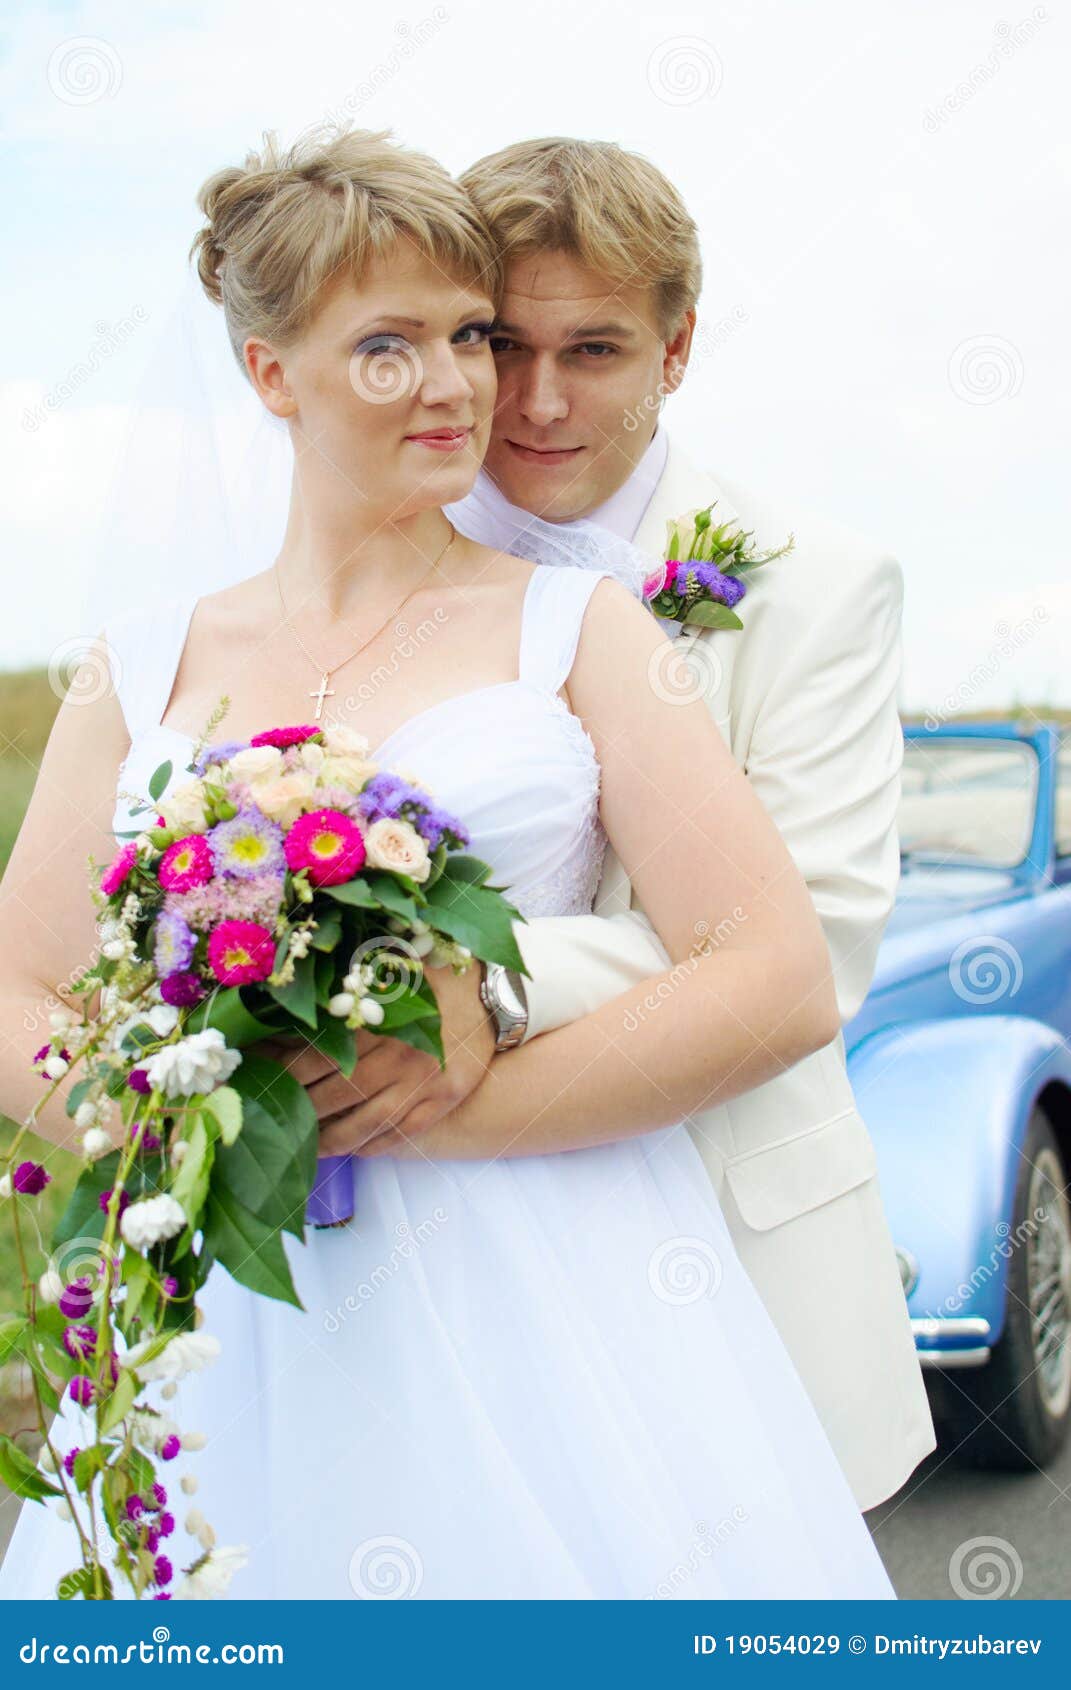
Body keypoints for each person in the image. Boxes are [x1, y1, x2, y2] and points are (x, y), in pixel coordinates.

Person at [0, 125, 895, 1600]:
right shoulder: (135, 665)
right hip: (248, 1307)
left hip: (563, 1265)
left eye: (464, 333)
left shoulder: (580, 624)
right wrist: (184, 1131)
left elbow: (783, 965)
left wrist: (412, 1080)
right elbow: (22, 988)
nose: (467, 384)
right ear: (270, 373)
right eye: (390, 344)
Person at [290, 138, 938, 1515]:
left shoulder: (820, 587)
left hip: (724, 1243)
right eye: (497, 343)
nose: (531, 400)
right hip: (412, 1273)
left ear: (679, 346)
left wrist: (455, 979)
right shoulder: (358, 561)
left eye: (591, 350)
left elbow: (805, 955)